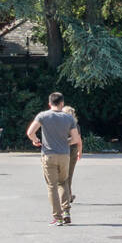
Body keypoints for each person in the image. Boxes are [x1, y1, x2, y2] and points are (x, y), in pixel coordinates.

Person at [26, 92, 82, 226]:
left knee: (52, 186)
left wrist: (36, 140)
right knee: (63, 182)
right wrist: (65, 143)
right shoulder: (69, 118)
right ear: (62, 103)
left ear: (49, 103)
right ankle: (67, 212)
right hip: (64, 155)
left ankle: (58, 217)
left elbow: (30, 132)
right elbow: (76, 139)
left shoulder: (43, 116)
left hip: (48, 154)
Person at [62, 106, 83, 206]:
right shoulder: (75, 125)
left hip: (61, 151)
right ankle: (68, 195)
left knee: (63, 175)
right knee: (69, 175)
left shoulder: (60, 125)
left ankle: (66, 196)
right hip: (72, 150)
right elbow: (79, 140)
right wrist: (80, 151)